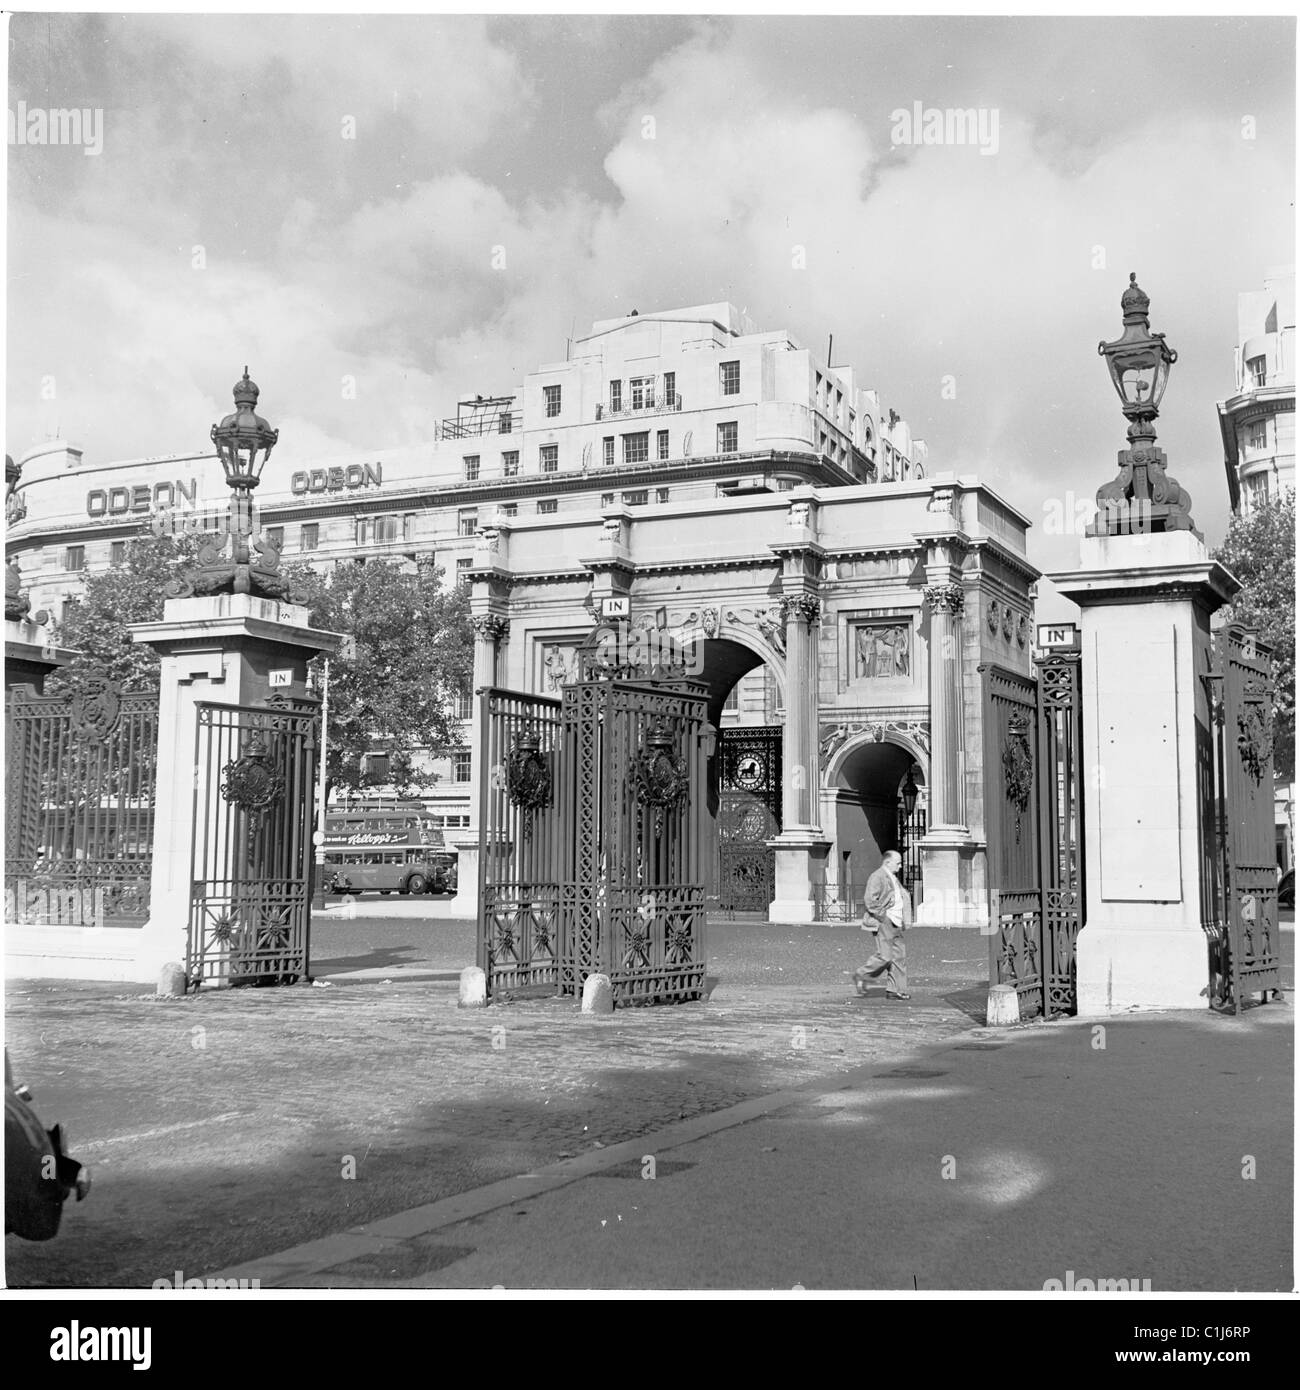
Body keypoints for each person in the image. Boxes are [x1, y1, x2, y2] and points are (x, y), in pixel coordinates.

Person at [854, 850, 911, 1000]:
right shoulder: (877, 876)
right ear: (887, 862)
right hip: (885, 921)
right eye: (898, 863)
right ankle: (862, 974)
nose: (900, 867)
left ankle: (895, 990)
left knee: (899, 957)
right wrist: (883, 916)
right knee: (885, 956)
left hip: (896, 921)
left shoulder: (892, 877)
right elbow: (870, 900)